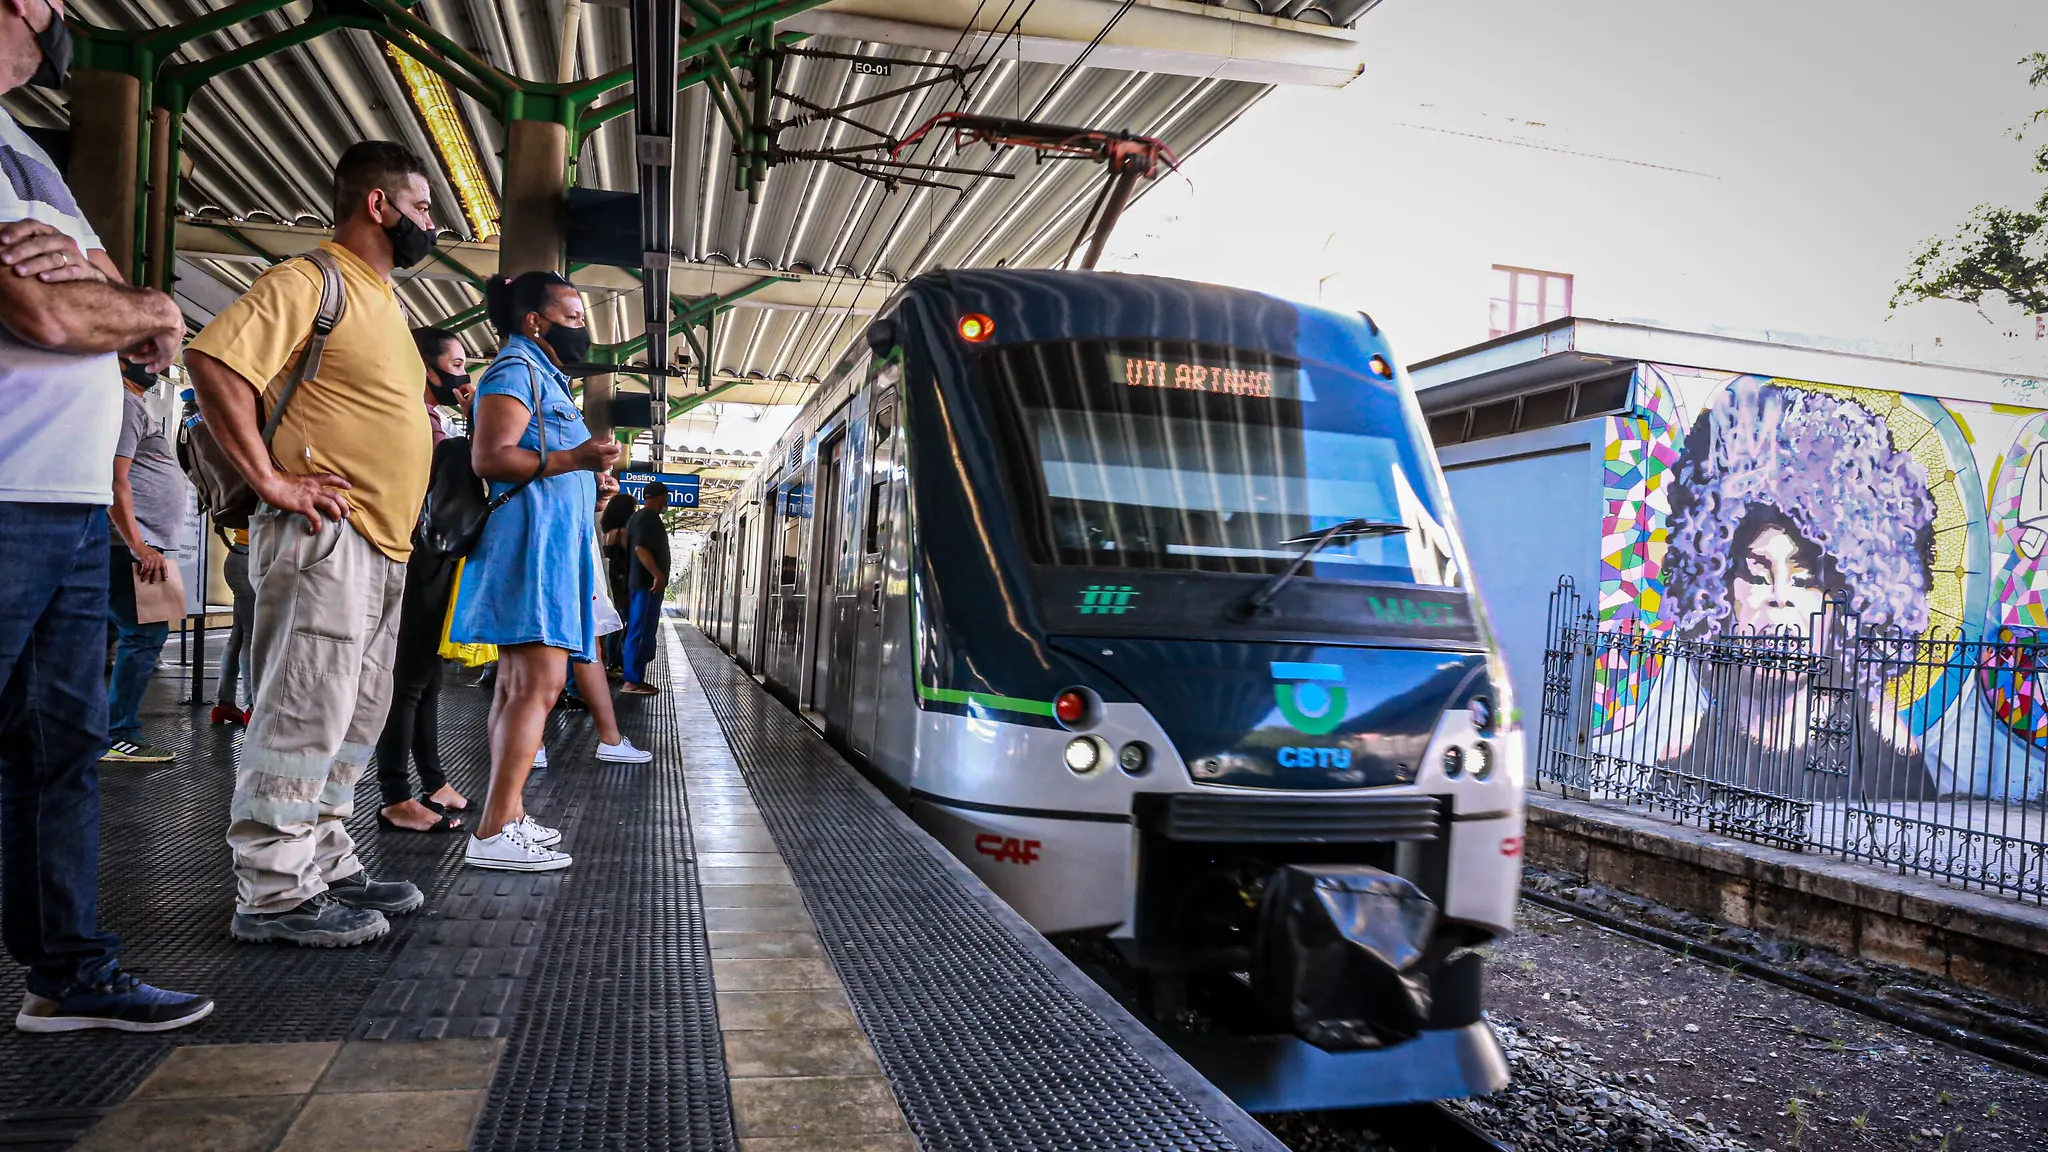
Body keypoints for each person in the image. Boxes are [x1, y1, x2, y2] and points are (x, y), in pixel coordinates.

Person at [0, 0, 212, 1032]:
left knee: (61, 750)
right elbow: (43, 312)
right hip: (5, 502)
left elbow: (138, 322)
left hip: (69, 505)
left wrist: (137, 307)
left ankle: (67, 970)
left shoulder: (21, 150)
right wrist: (127, 305)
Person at [186, 140, 439, 947]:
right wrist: (272, 480)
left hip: (382, 545)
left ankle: (325, 858)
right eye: (423, 207)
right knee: (302, 709)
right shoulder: (310, 281)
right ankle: (273, 889)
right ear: (378, 205)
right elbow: (215, 362)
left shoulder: (387, 303)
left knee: (350, 714)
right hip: (325, 535)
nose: (429, 223)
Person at [449, 271, 620, 871]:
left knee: (519, 687)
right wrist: (576, 457)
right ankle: (493, 831)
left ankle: (511, 813)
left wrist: (587, 482)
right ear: (534, 321)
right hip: (530, 550)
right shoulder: (514, 371)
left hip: (545, 545)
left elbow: (538, 462)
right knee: (537, 688)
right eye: (572, 317)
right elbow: (491, 457)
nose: (581, 329)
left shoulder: (539, 375)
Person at [374, 326, 475, 834]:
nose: (463, 373)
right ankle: (394, 795)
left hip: (428, 553)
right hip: (414, 553)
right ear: (425, 366)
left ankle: (432, 782)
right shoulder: (406, 412)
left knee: (426, 675)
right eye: (455, 363)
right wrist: (482, 418)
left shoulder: (427, 413)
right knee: (408, 679)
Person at [103, 361, 184, 764]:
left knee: (110, 635)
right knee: (145, 636)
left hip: (136, 543)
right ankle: (118, 735)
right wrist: (139, 544)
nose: (153, 362)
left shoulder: (129, 402)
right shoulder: (124, 403)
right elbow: (115, 480)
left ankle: (98, 730)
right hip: (133, 545)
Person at [620, 481, 670, 696]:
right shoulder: (650, 517)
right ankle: (632, 681)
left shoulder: (636, 518)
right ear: (662, 497)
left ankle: (635, 677)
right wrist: (657, 574)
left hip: (639, 583)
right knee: (640, 632)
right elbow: (641, 548)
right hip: (645, 585)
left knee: (639, 631)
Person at [210, 524, 255, 726]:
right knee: (252, 636)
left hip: (238, 555)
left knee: (238, 635)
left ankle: (225, 703)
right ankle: (254, 707)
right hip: (251, 557)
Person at [599, 486, 636, 674]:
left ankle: (613, 661)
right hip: (625, 581)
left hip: (614, 578)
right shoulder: (622, 532)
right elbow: (633, 556)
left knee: (617, 620)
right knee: (625, 621)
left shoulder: (608, 532)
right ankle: (617, 660)